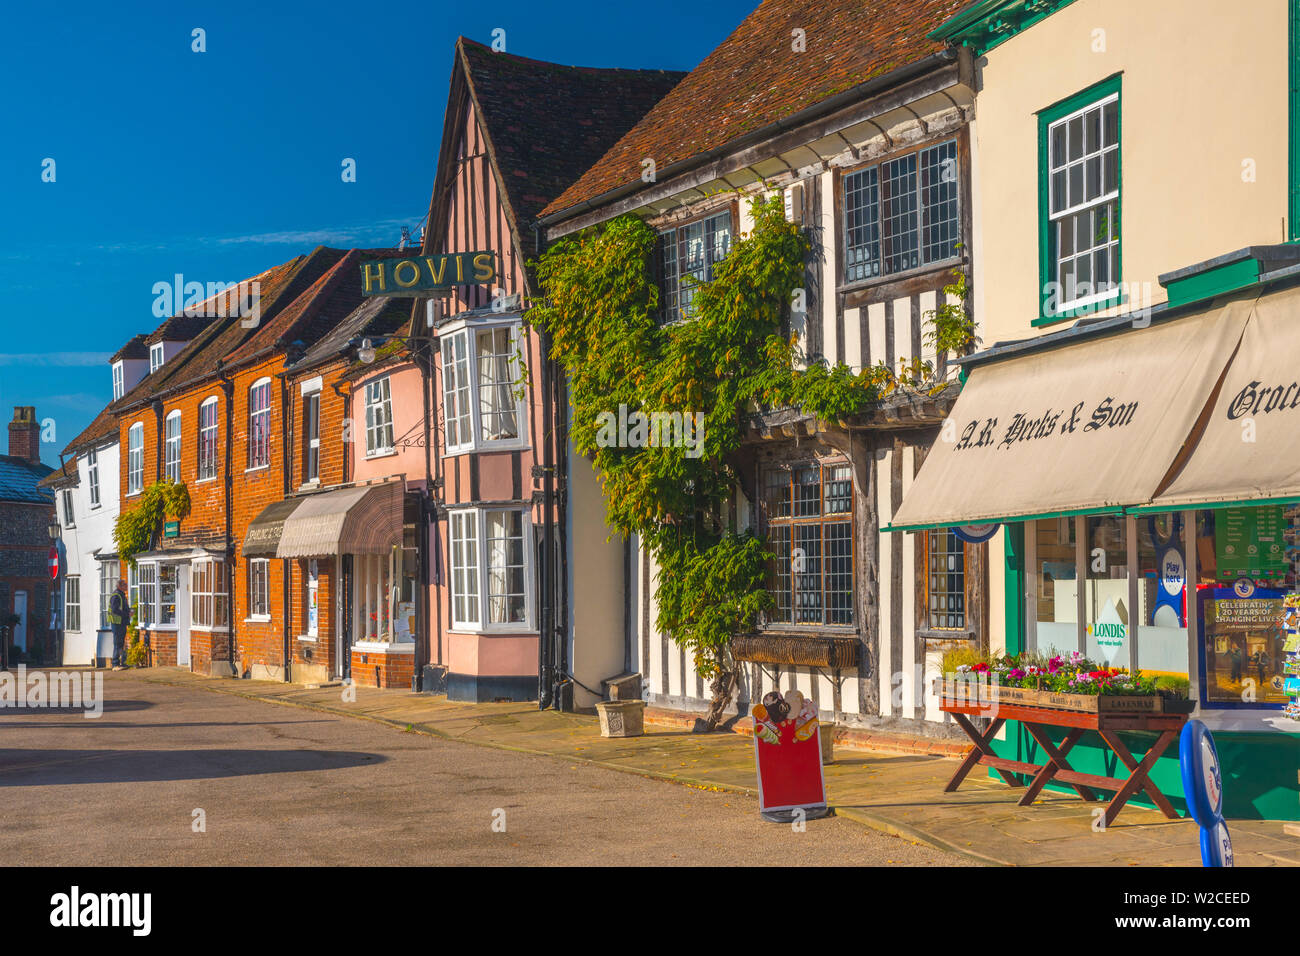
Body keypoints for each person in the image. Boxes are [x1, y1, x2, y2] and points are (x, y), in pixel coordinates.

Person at [107, 579, 129, 670]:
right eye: (125, 585)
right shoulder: (116, 596)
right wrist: (126, 614)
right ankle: (115, 664)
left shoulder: (121, 595)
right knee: (117, 643)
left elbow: (122, 608)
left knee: (121, 643)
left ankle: (121, 663)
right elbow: (115, 610)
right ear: (120, 586)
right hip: (116, 623)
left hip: (121, 622)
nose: (127, 586)